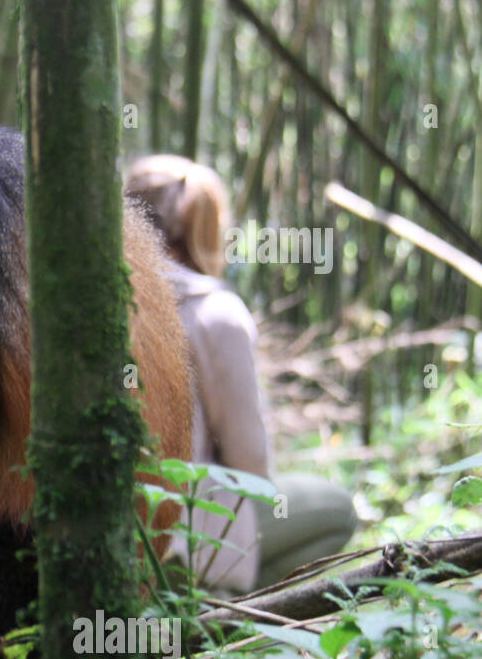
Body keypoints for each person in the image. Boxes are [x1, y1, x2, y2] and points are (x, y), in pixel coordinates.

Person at [124, 155, 356, 594]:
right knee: (336, 509)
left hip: (102, 536)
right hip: (185, 537)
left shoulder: (88, 300)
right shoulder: (215, 313)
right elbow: (251, 467)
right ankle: (216, 607)